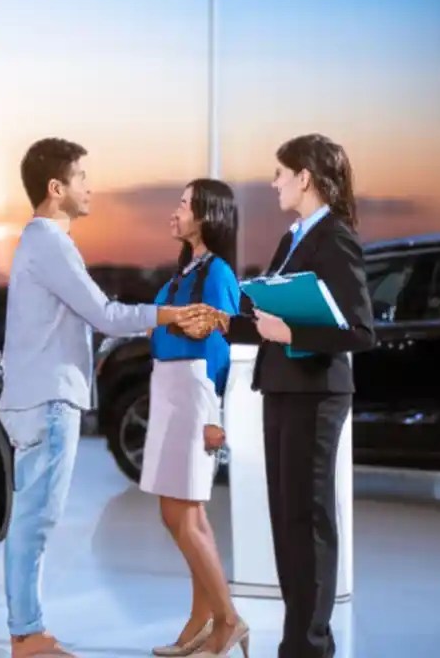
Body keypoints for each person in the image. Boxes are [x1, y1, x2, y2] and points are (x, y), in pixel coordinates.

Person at [0, 138, 203, 658]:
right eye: (82, 176)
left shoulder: (39, 245)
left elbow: (86, 322)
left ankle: (29, 631)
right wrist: (170, 315)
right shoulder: (49, 243)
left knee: (32, 519)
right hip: (48, 401)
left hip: (36, 396)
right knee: (35, 522)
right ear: (56, 188)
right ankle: (27, 637)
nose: (90, 186)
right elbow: (106, 314)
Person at [184, 134, 374, 658]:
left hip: (316, 395)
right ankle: (302, 641)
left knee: (309, 522)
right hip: (284, 391)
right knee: (288, 521)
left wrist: (293, 335)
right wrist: (226, 322)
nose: (274, 183)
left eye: (280, 174)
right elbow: (272, 321)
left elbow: (359, 330)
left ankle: (307, 646)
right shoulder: (294, 238)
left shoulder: (335, 237)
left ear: (304, 178)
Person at [142, 179, 247, 658]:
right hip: (169, 389)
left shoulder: (219, 273)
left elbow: (219, 346)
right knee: (185, 514)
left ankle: (228, 620)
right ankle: (202, 620)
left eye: (183, 205)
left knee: (182, 515)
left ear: (206, 215)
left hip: (193, 393)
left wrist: (214, 414)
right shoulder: (185, 272)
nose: (175, 212)